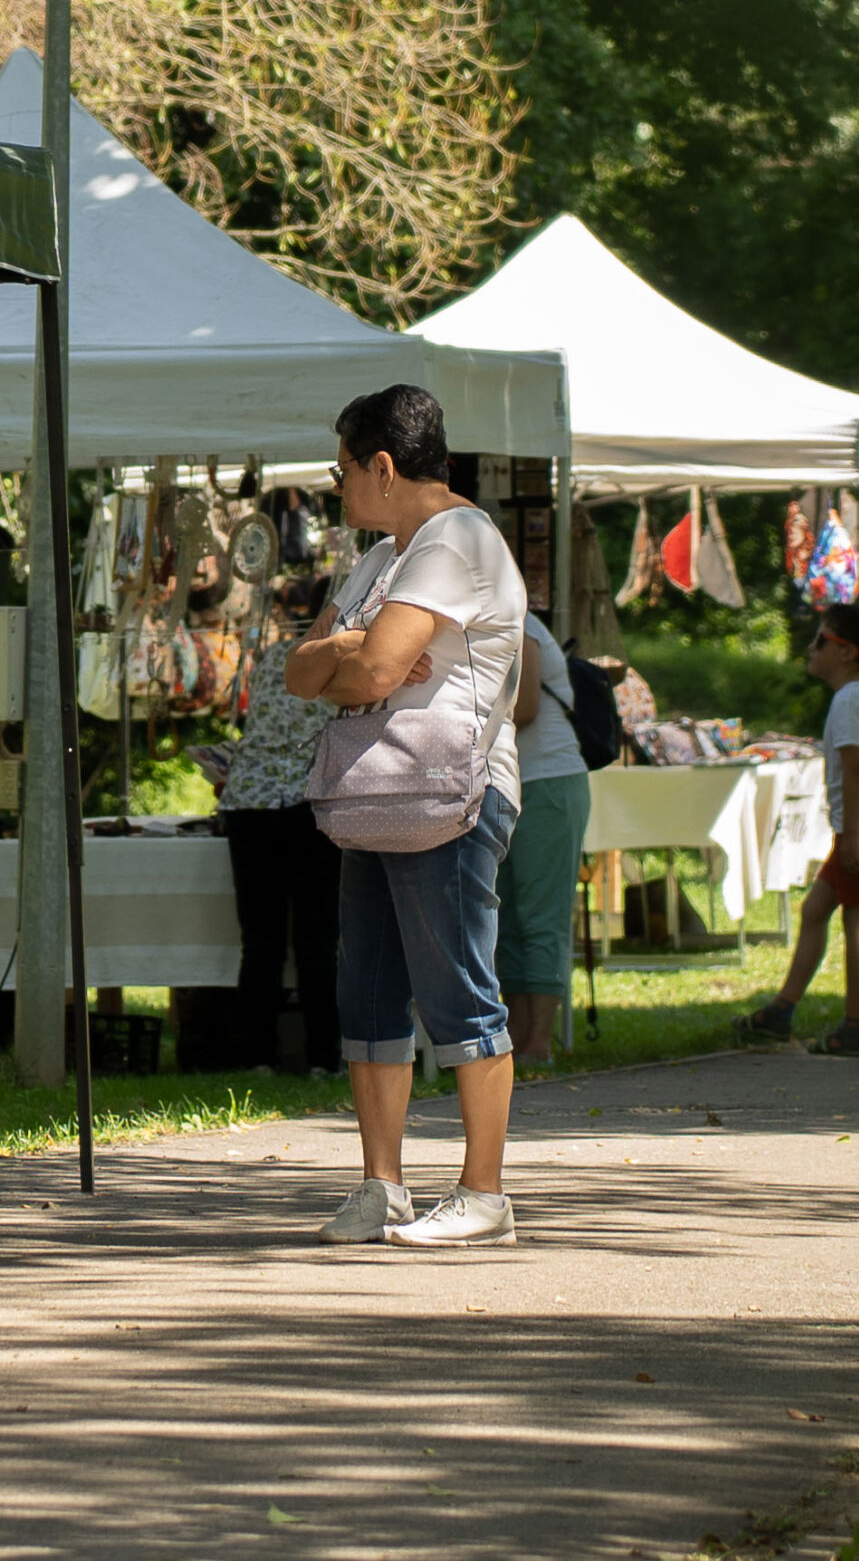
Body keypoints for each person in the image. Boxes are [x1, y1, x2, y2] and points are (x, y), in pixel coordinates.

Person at [286, 384, 526, 1247]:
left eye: (341, 469)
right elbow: (302, 671)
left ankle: (484, 1192)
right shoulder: (383, 557)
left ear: (382, 467)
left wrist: (357, 655)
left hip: (449, 797)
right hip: (384, 798)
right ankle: (379, 1184)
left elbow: (377, 673)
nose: (337, 485)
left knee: (460, 989)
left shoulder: (453, 540)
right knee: (372, 991)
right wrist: (352, 649)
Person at [736, 604, 859, 1058]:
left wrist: (851, 834)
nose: (811, 649)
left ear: (847, 653)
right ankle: (782, 1010)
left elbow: (853, 768)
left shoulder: (851, 701)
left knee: (857, 920)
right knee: (816, 910)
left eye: (821, 641)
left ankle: (853, 1029)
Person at [197, 577, 340, 1074]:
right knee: (319, 937)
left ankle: (256, 1053)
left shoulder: (278, 655)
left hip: (251, 802)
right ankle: (324, 1055)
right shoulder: (348, 656)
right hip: (310, 799)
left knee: (260, 939)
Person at [495, 611, 589, 1069]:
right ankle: (515, 1038)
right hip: (510, 784)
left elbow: (526, 707)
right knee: (508, 914)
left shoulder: (519, 621)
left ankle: (539, 1043)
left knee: (540, 916)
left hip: (549, 781)